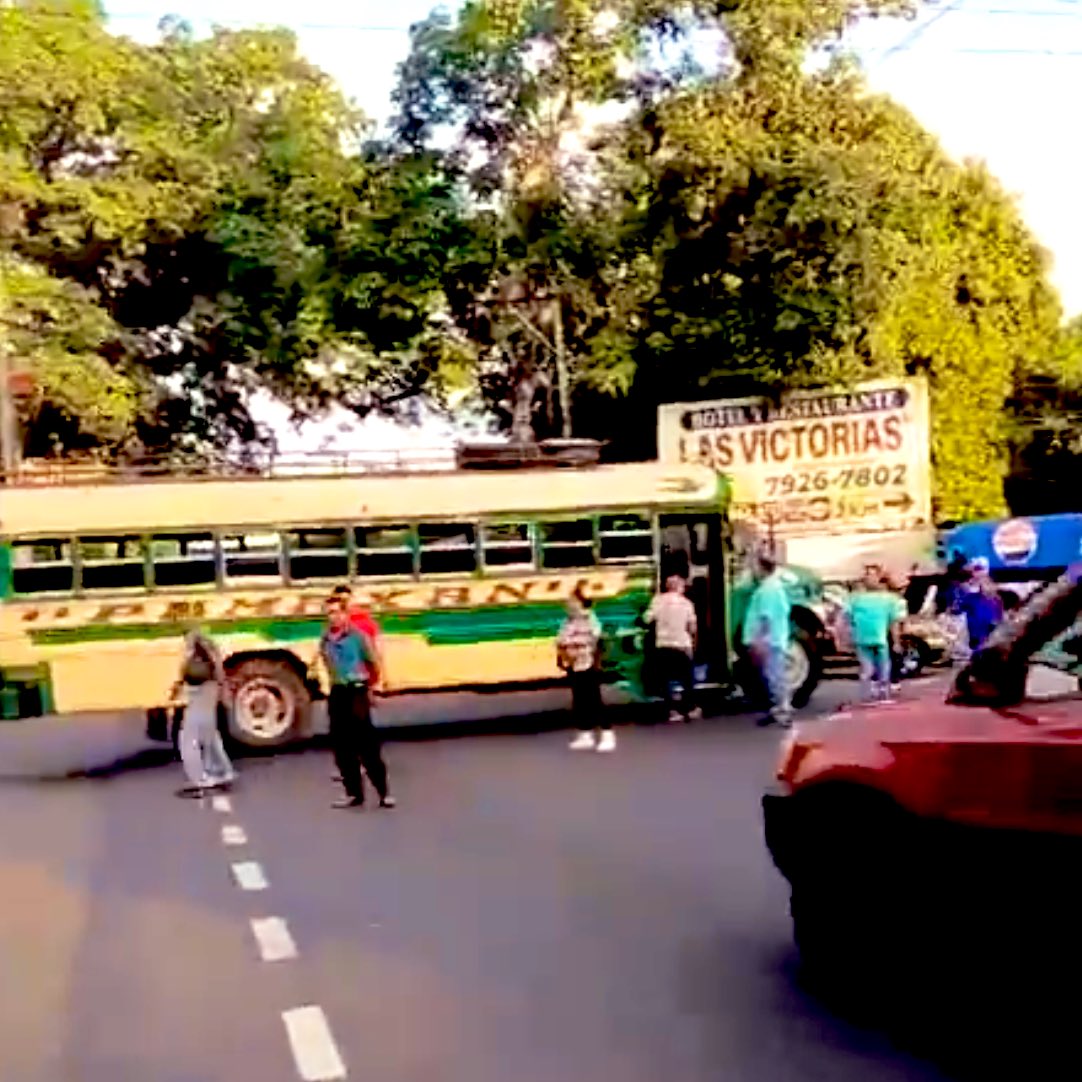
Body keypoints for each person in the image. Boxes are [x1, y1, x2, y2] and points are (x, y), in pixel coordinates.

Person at [320, 595, 394, 810]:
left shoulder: (358, 637)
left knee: (367, 744)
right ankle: (353, 793)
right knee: (341, 746)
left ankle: (384, 793)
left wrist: (371, 687)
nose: (333, 617)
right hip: (338, 691)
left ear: (345, 614)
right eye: (329, 613)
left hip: (357, 691)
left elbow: (373, 662)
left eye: (337, 612)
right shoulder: (325, 638)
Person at [172, 625, 235, 796]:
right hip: (209, 692)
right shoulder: (208, 647)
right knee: (209, 735)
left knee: (188, 738)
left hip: (201, 694)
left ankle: (200, 779)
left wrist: (179, 688)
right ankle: (222, 772)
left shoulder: (197, 649)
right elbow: (218, 671)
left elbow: (193, 672)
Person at [558, 589, 613, 752]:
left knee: (594, 700)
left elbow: (598, 640)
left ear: (580, 603)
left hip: (588, 662)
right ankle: (585, 733)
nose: (568, 604)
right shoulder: (567, 621)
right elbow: (561, 640)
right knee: (579, 701)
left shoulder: (589, 619)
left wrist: (596, 662)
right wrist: (562, 656)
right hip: (573, 663)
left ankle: (607, 734)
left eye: (571, 601)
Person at [743, 552, 794, 727]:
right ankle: (777, 709)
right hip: (772, 640)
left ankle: (783, 711)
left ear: (762, 568)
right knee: (772, 676)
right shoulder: (771, 587)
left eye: (754, 567)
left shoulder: (768, 590)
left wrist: (758, 640)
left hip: (769, 641)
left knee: (775, 677)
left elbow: (765, 617)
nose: (752, 570)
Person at [645, 575, 702, 723]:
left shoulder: (657, 601)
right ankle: (690, 709)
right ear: (680, 588)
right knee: (687, 680)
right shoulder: (687, 603)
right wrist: (692, 646)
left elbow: (647, 619)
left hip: (663, 645)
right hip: (682, 645)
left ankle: (672, 711)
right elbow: (692, 628)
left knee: (665, 680)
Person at [845, 564, 898, 703]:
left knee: (884, 669)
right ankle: (867, 696)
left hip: (880, 639)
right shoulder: (855, 598)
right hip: (862, 640)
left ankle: (883, 693)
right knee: (867, 670)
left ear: (879, 578)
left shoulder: (888, 598)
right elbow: (847, 618)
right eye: (867, 575)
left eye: (872, 575)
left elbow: (893, 621)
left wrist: (896, 641)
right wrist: (847, 636)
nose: (869, 578)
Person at [954, 558, 1004, 653]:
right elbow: (958, 608)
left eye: (979, 569)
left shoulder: (993, 594)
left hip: (986, 627)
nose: (977, 573)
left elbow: (997, 614)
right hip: (976, 629)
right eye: (975, 569)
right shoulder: (967, 591)